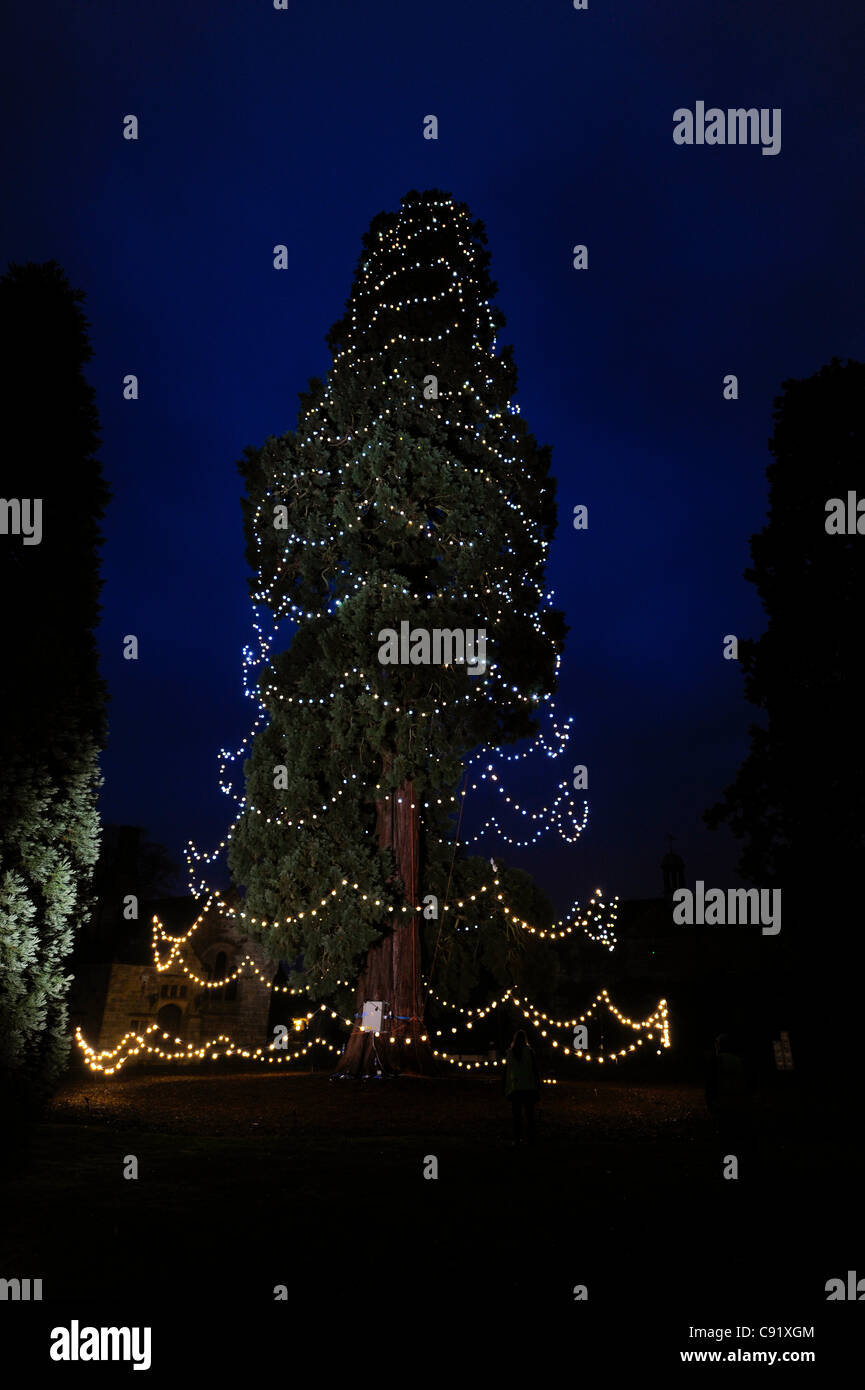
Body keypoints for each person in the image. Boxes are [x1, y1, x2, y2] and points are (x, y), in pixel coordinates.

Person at [504, 1029, 541, 1144]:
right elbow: (535, 1070)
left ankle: (517, 1138)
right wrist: (538, 1085)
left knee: (517, 1116)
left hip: (516, 1088)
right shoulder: (529, 1052)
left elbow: (506, 1071)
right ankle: (531, 1138)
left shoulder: (510, 1053)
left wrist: (505, 1087)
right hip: (529, 1087)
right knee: (530, 1116)